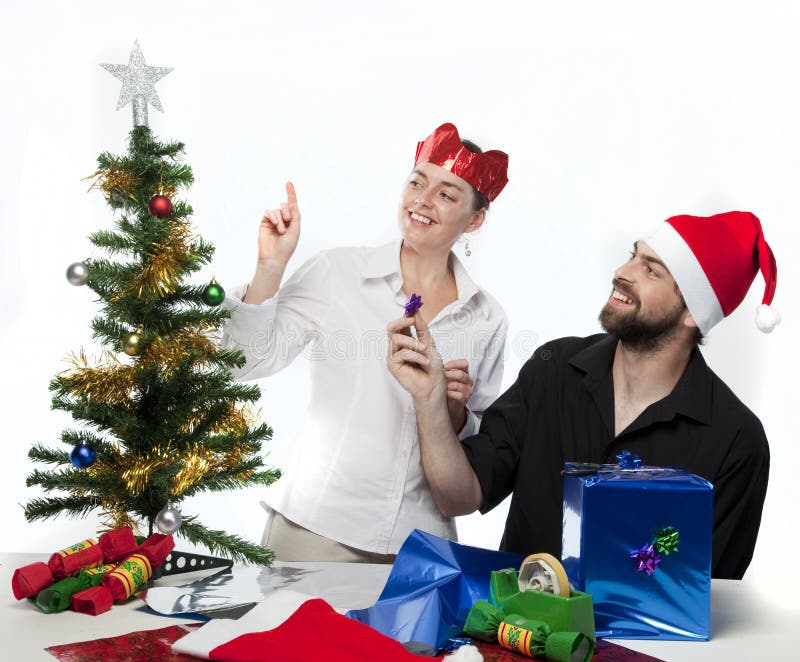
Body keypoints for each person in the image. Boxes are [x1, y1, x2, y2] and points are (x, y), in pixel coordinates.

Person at [388, 211, 778, 579]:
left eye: (651, 270)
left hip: (644, 648)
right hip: (520, 638)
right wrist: (429, 399)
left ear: (693, 311)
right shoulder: (553, 368)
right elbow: (460, 495)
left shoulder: (737, 442)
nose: (622, 273)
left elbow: (709, 591)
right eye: (633, 257)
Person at [220, 123, 510, 562]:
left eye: (447, 194)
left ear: (475, 219)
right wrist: (269, 268)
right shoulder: (338, 273)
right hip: (316, 530)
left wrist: (454, 412)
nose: (422, 200)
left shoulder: (486, 317)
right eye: (417, 182)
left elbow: (480, 448)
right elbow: (242, 363)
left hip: (421, 546)